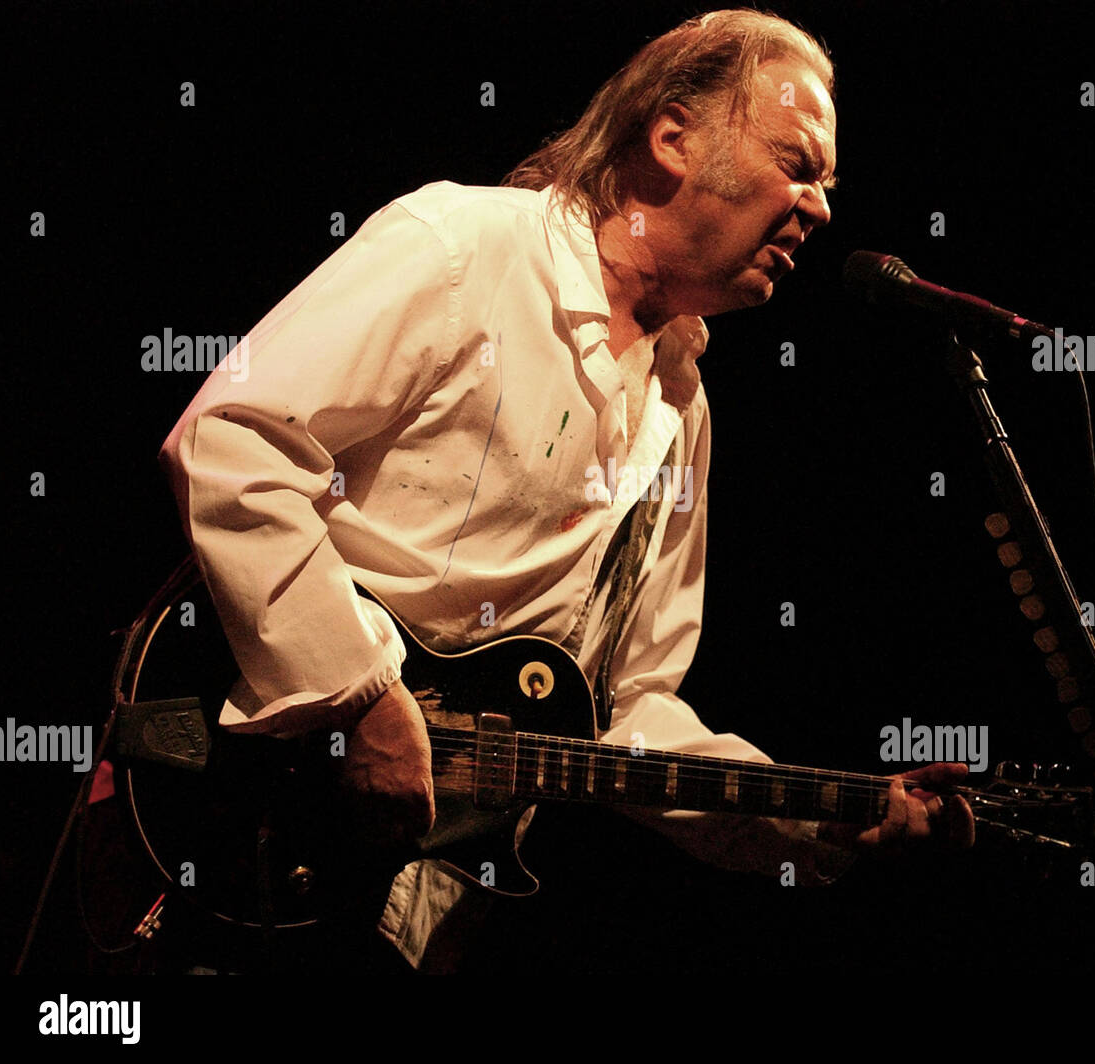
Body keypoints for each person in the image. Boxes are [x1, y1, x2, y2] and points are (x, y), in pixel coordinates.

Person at [158, 8, 973, 972]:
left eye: (827, 183)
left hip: (418, 914)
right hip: (237, 817)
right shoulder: (469, 247)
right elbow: (233, 438)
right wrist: (358, 696)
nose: (822, 207)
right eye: (797, 163)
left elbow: (630, 714)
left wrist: (823, 821)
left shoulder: (683, 408)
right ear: (672, 137)